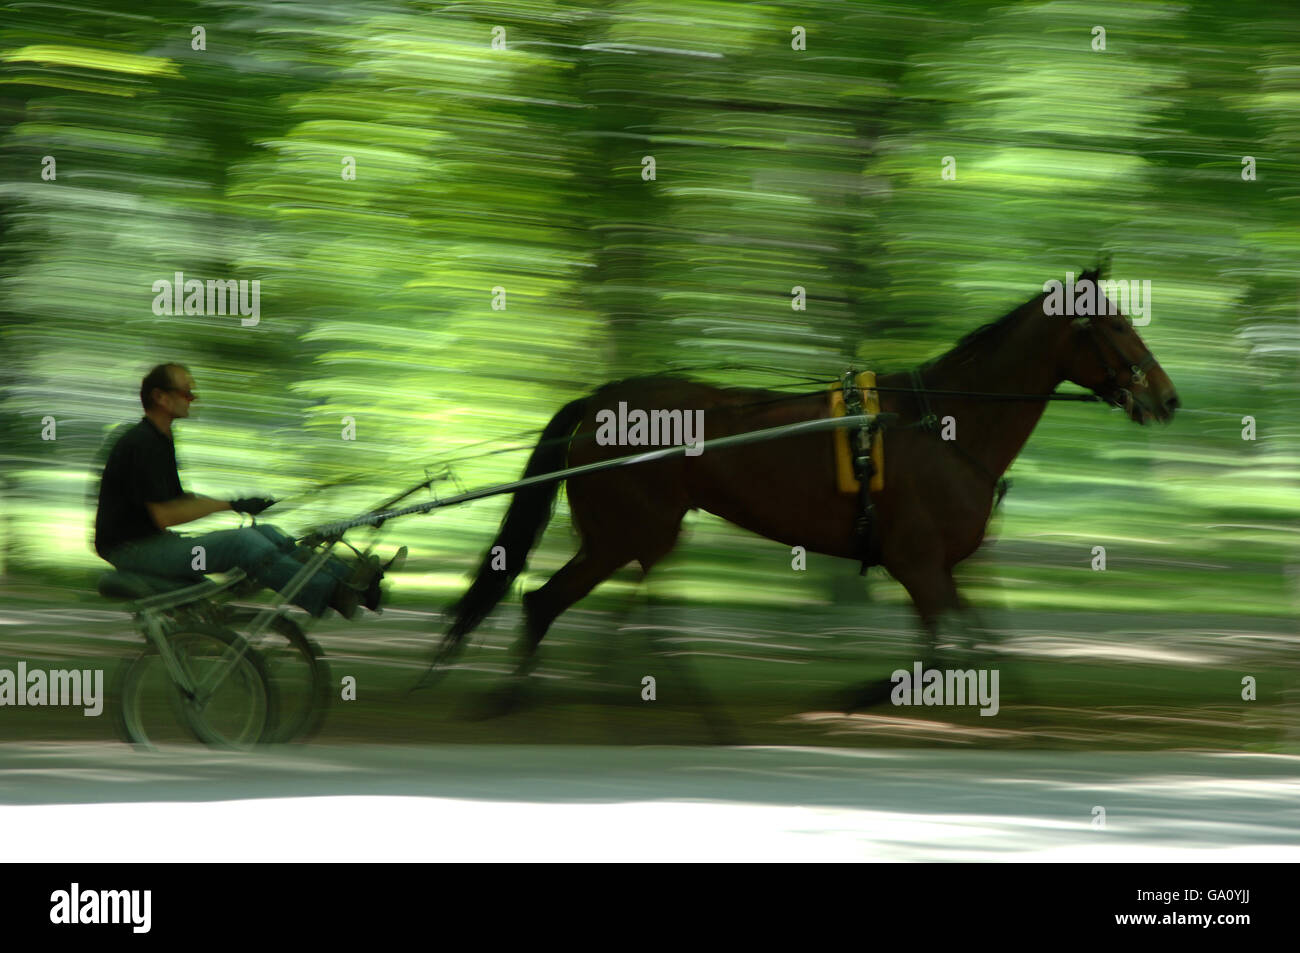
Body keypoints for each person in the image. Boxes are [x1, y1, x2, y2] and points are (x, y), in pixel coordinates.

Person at [93, 362, 391, 618]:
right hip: (133, 551)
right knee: (243, 543)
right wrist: (232, 505)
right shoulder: (142, 443)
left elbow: (181, 501)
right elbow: (165, 515)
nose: (193, 398)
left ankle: (352, 583)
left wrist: (245, 503)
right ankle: (330, 594)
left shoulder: (159, 439)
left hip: (151, 544)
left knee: (268, 533)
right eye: (186, 392)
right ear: (160, 397)